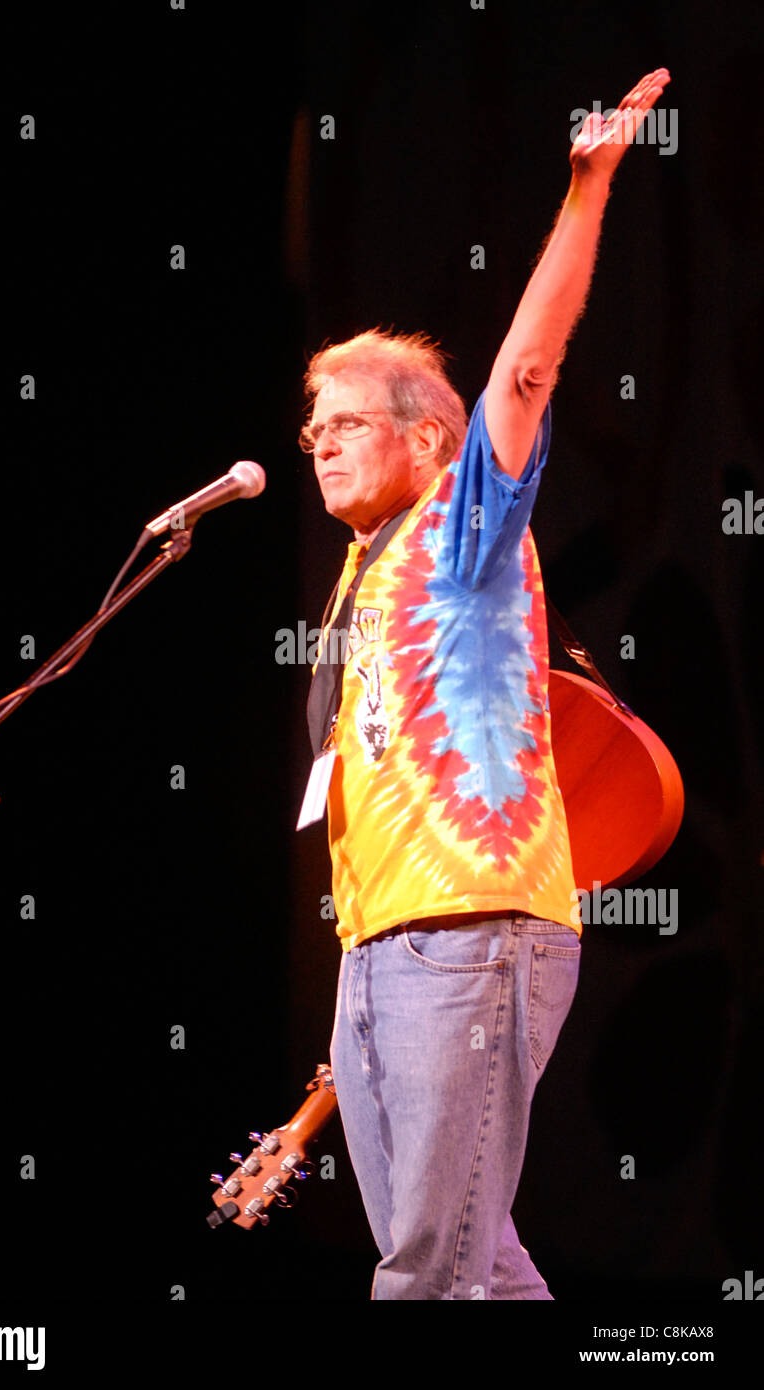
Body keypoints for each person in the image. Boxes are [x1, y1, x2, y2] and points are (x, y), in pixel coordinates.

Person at [298, 69, 671, 1300]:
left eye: (348, 421)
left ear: (426, 440)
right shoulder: (360, 582)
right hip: (379, 948)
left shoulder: (466, 526)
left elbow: (523, 369)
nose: (322, 442)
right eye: (314, 430)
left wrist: (586, 191)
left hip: (471, 932)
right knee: (479, 1264)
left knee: (423, 1273)